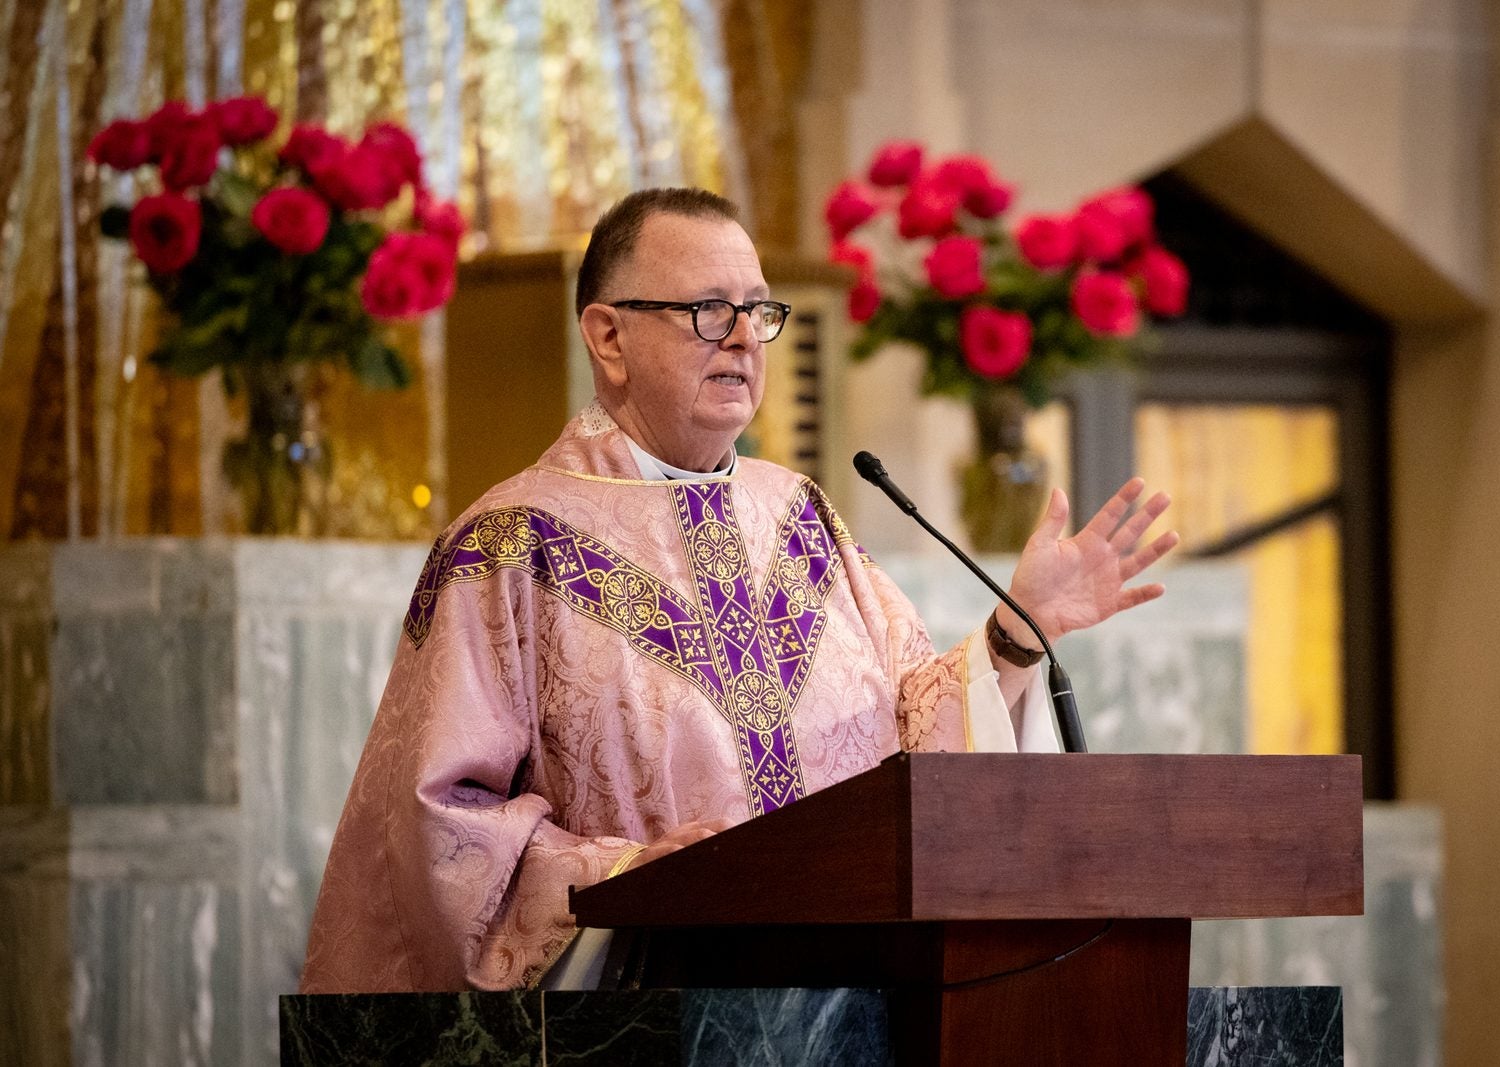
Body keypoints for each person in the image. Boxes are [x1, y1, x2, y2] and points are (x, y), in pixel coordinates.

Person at [299, 187, 1177, 993]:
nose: (746, 340)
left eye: (759, 313)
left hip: (856, 1005)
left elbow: (914, 733)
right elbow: (442, 823)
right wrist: (623, 878)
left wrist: (1013, 638)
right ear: (608, 337)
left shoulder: (801, 518)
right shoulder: (509, 547)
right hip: (645, 1011)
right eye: (709, 311)